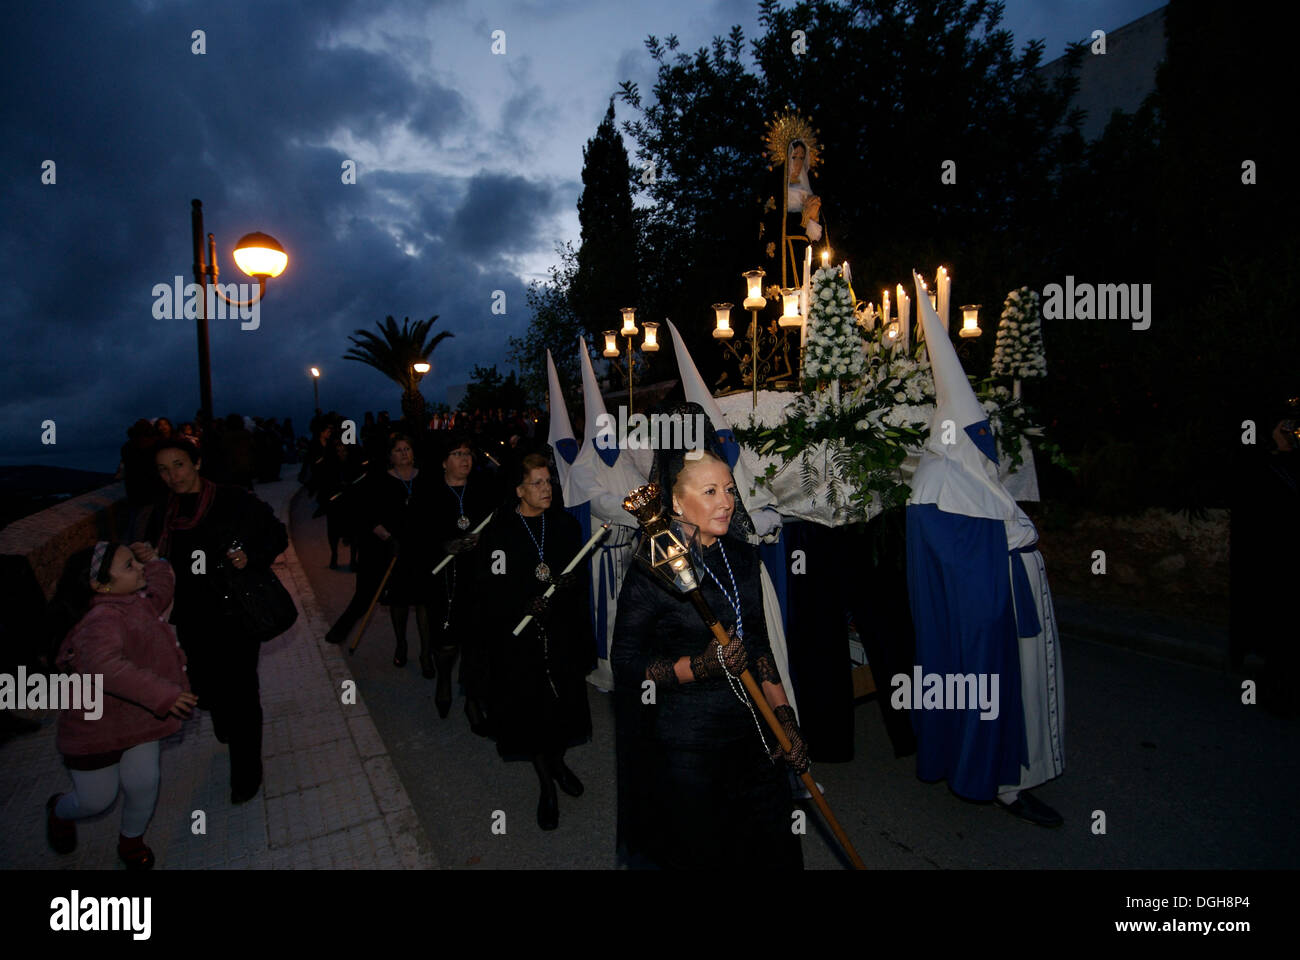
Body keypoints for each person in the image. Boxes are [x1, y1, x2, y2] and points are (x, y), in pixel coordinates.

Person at [612, 414, 806, 869]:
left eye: (730, 490)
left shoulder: (741, 555)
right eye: (711, 492)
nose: (727, 503)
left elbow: (758, 644)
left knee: (767, 846)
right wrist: (698, 666)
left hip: (754, 731)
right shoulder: (651, 570)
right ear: (676, 503)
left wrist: (783, 715)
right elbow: (626, 663)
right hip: (688, 743)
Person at [904, 276, 1064, 825]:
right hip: (987, 613)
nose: (986, 441)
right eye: (976, 432)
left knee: (1023, 688)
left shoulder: (968, 470)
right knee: (991, 688)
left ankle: (1018, 770)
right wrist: (1012, 544)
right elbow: (957, 564)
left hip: (1012, 598)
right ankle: (1002, 779)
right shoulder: (936, 482)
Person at [146, 437, 287, 804]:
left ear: (196, 462)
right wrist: (146, 557)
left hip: (235, 611)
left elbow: (276, 534)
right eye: (163, 469)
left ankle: (246, 774)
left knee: (241, 693)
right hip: (193, 616)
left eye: (178, 464)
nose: (172, 475)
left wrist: (249, 555)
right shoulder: (162, 514)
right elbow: (155, 563)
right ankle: (225, 723)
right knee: (207, 690)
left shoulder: (233, 500)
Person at [45, 540, 197, 869]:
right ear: (101, 584)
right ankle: (59, 811)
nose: (138, 568)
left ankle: (131, 841)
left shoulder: (133, 601)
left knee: (144, 782)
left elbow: (160, 593)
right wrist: (166, 696)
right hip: (95, 732)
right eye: (129, 566)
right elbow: (106, 669)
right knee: (95, 800)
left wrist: (154, 562)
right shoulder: (101, 620)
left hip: (138, 721)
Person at [474, 453, 593, 830]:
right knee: (534, 713)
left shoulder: (564, 525)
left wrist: (571, 585)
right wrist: (522, 602)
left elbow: (574, 570)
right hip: (520, 638)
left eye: (549, 482)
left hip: (560, 633)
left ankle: (557, 761)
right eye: (538, 483)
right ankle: (547, 786)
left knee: (562, 707)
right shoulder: (499, 532)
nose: (547, 490)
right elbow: (492, 585)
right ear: (519, 490)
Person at [428, 434, 497, 723]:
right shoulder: (428, 494)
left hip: (476, 577)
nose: (464, 459)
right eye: (456, 453)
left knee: (475, 642)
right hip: (443, 580)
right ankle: (443, 678)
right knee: (447, 643)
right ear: (444, 462)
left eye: (467, 453)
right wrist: (444, 545)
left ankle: (472, 699)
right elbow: (417, 535)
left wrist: (484, 537)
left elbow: (496, 525)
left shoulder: (482, 490)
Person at [367, 434, 437, 677]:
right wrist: (389, 538)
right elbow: (371, 518)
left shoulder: (426, 477)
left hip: (423, 549)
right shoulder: (381, 481)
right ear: (390, 455)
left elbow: (435, 511)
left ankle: (426, 653)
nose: (404, 453)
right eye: (399, 450)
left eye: (408, 448)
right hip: (396, 549)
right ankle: (401, 643)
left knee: (425, 603)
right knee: (399, 602)